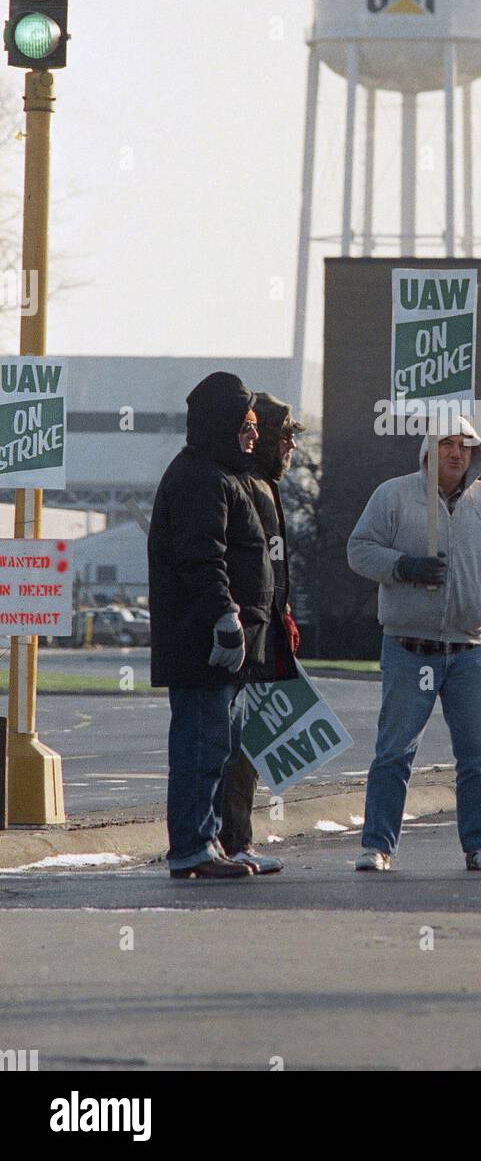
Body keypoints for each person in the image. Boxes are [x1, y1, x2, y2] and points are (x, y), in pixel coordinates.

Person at [347, 415, 481, 872]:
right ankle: (377, 846)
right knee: (394, 752)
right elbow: (359, 549)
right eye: (447, 444)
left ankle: (480, 844)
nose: (456, 453)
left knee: (476, 755)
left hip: (470, 648)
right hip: (409, 648)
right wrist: (403, 566)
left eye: (465, 446)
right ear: (428, 450)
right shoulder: (392, 495)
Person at [148, 371, 280, 880]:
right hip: (205, 647)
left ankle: (216, 844)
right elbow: (203, 559)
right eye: (245, 424)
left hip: (230, 650)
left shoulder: (225, 475)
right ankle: (192, 847)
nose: (254, 434)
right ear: (221, 425)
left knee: (220, 752)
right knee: (202, 751)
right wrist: (225, 618)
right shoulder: (200, 479)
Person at [220, 393, 305, 874]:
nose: (291, 446)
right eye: (286, 435)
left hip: (263, 632)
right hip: (245, 637)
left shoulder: (264, 486)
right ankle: (233, 841)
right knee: (235, 746)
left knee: (245, 744)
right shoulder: (245, 485)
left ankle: (235, 839)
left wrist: (282, 613)